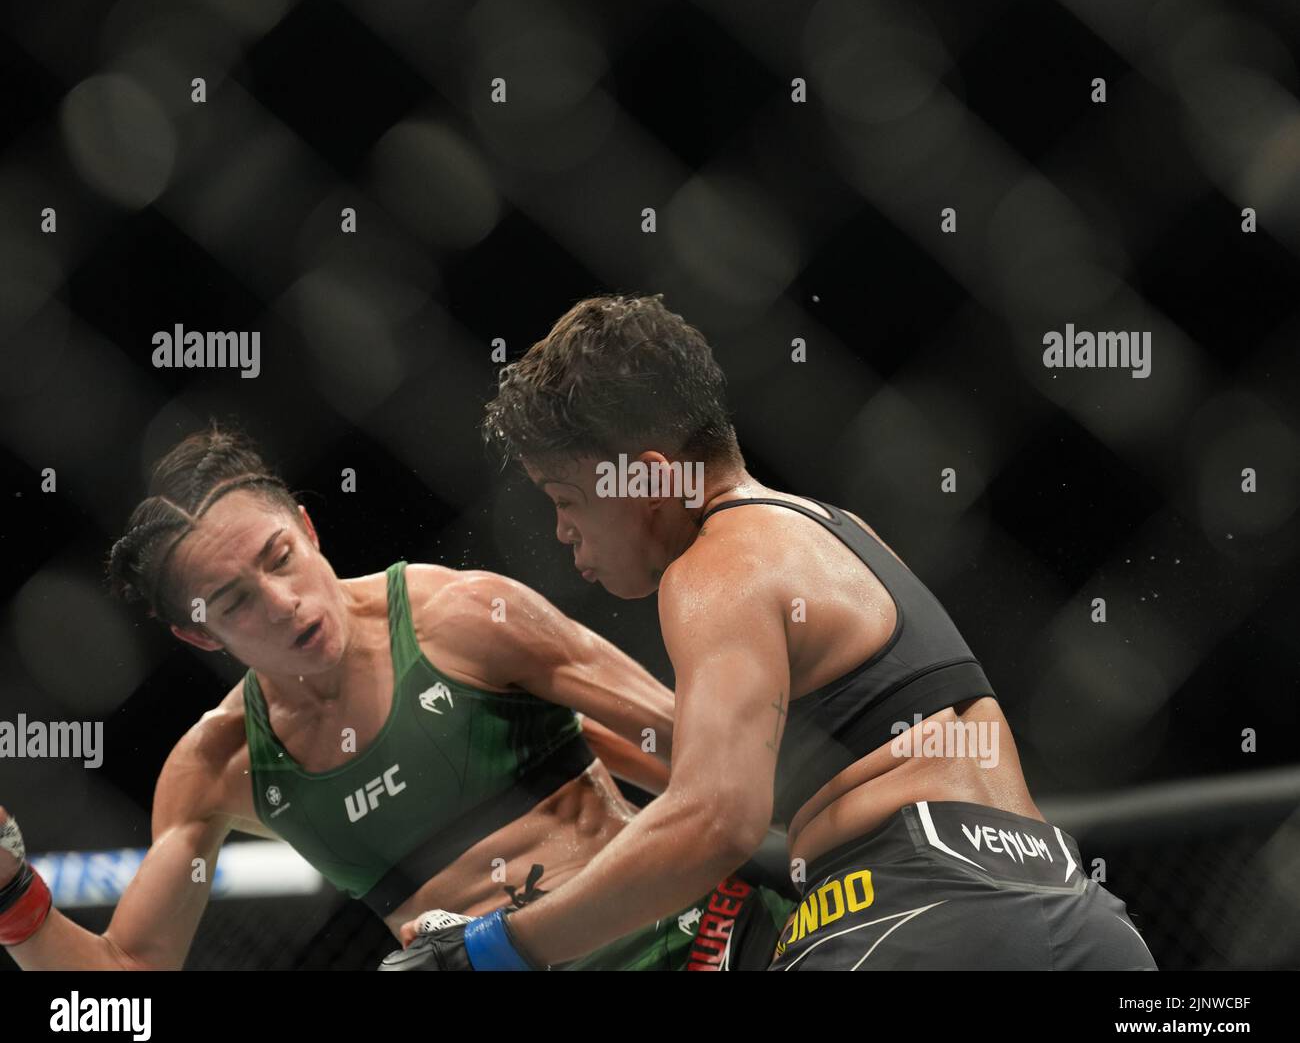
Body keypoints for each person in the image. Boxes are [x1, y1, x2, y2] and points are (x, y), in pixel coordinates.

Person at [396, 292, 1159, 971]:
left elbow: (713, 819)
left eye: (564, 498)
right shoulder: (838, 532)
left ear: (651, 479)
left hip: (911, 924)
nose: (563, 532)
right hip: (1078, 913)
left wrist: (495, 948)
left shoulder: (713, 568)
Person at [0, 425, 784, 971]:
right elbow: (129, 975)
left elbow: (702, 746)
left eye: (279, 557)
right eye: (235, 602)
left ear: (308, 530)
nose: (282, 603)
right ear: (201, 636)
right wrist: (11, 897)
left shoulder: (464, 618)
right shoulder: (218, 766)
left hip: (685, 945)